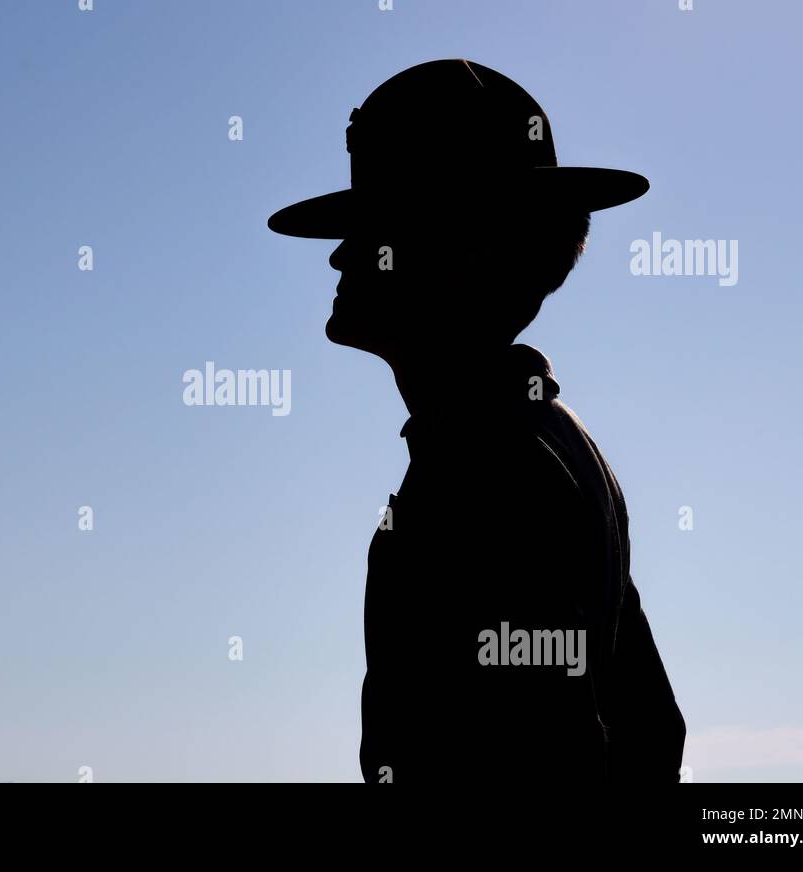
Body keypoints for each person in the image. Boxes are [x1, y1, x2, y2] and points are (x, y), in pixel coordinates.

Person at [268, 59, 686, 783]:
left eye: (376, 228)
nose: (339, 252)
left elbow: (559, 751)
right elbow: (649, 728)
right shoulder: (549, 442)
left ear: (463, 252)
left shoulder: (487, 465)